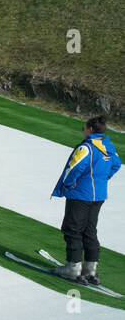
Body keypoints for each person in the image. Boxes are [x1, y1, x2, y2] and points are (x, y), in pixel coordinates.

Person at [51, 115, 120, 286]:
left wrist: (69, 184)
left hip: (81, 194)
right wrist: (102, 179)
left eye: (84, 128)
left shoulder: (86, 148)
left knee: (73, 229)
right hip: (99, 196)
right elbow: (116, 164)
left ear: (90, 130)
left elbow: (73, 169)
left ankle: (73, 268)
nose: (82, 130)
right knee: (89, 230)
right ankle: (90, 270)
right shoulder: (108, 147)